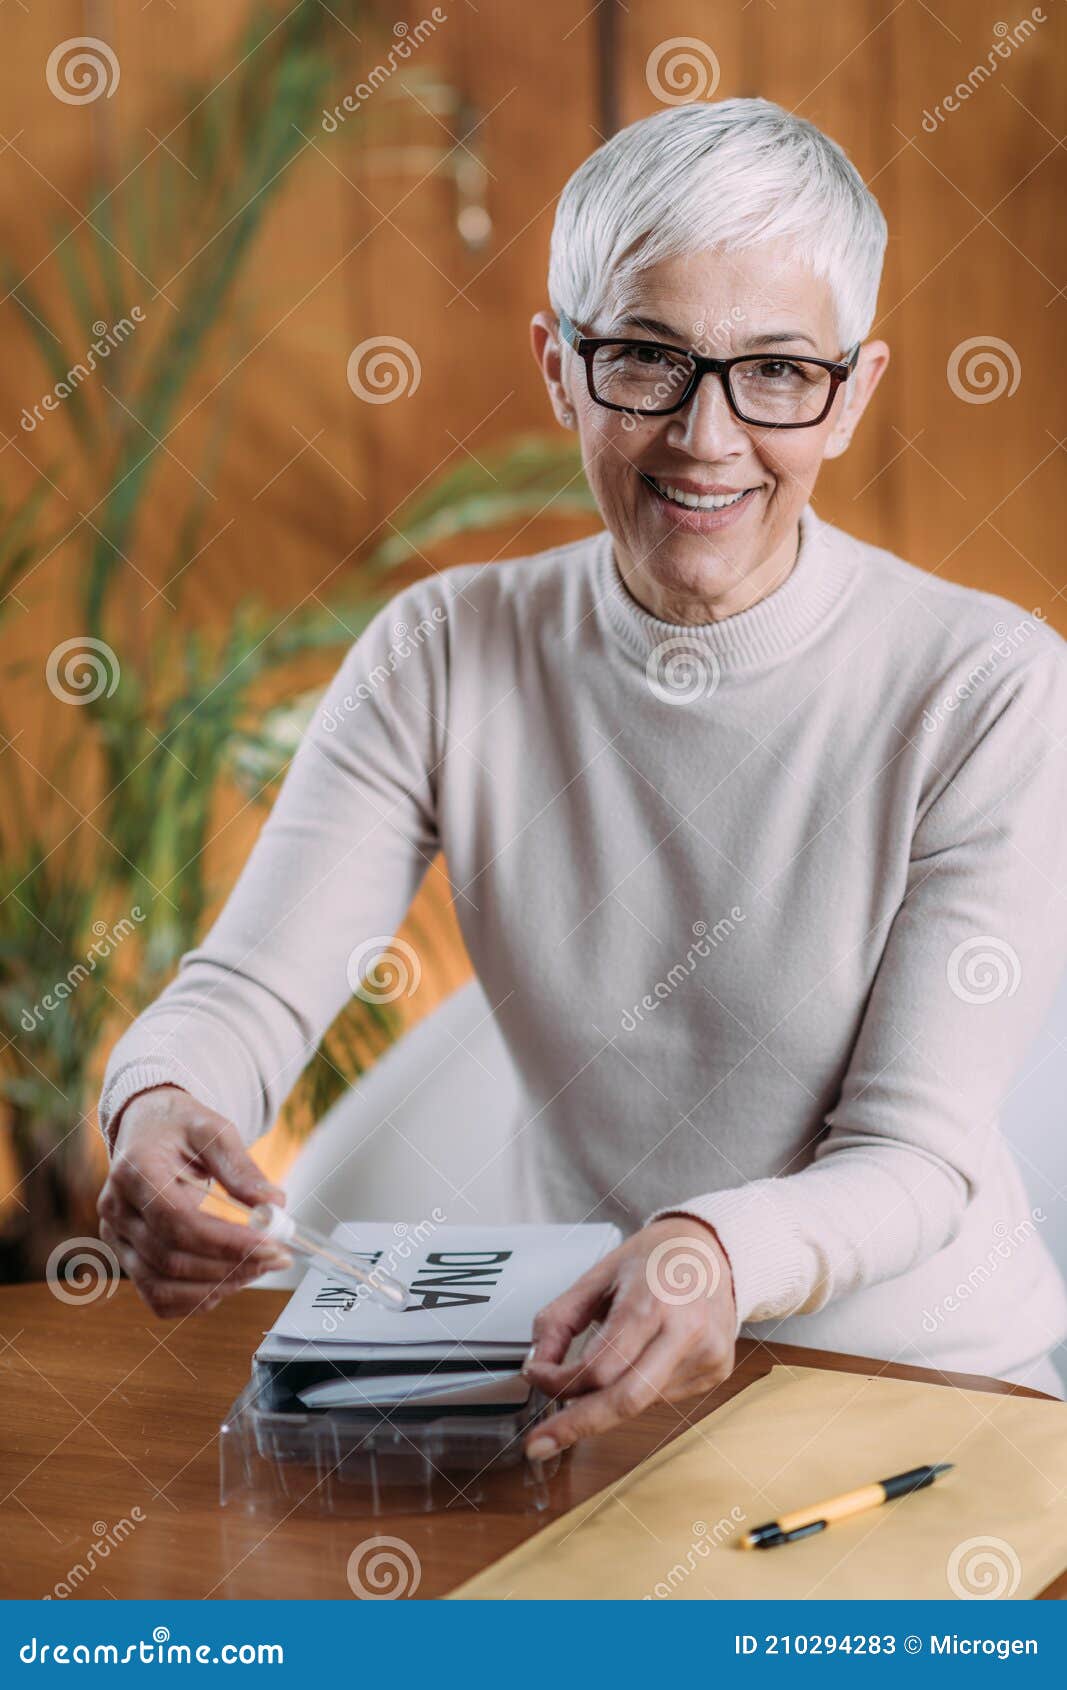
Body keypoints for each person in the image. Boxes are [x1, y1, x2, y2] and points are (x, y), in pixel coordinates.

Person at [97, 98, 1067, 1457]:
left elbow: (912, 1153)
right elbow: (248, 991)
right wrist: (155, 1103)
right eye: (647, 360)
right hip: (603, 1387)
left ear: (851, 395)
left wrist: (709, 1249)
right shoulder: (442, 653)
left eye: (778, 370)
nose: (706, 438)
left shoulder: (990, 686)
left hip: (928, 1406)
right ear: (561, 367)